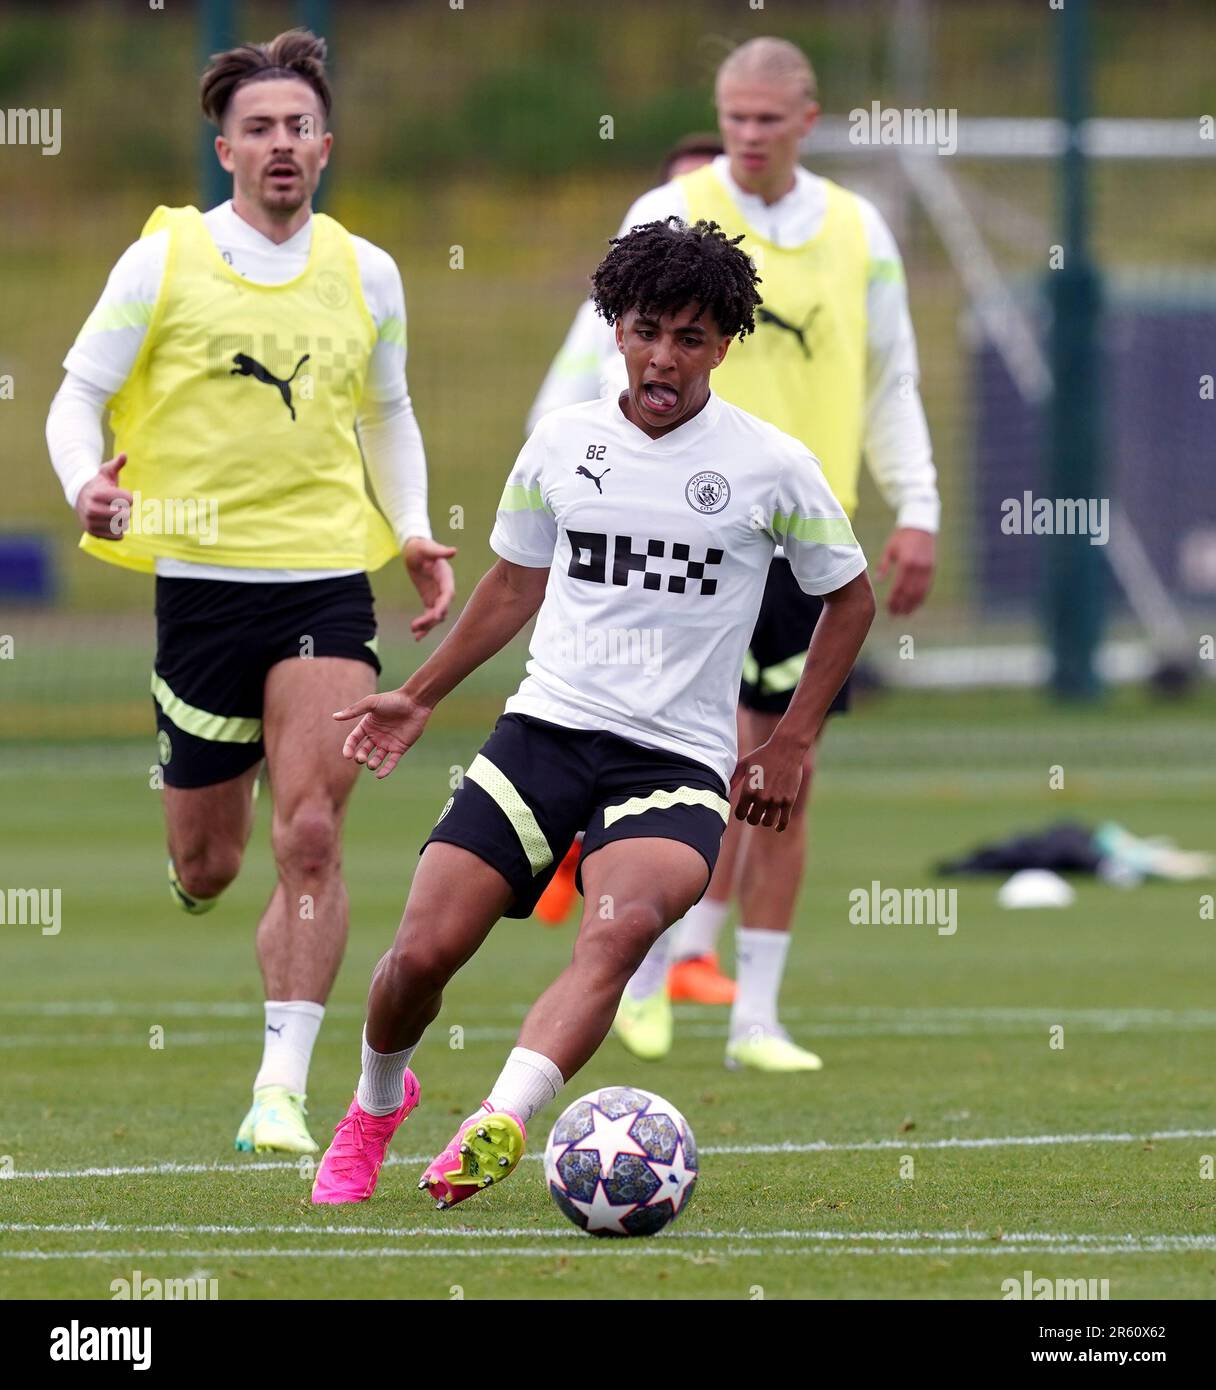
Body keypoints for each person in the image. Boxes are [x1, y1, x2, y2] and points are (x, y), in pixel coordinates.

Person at [309, 217, 875, 1209]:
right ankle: (376, 1102)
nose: (664, 355)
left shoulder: (770, 464)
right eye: (647, 328)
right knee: (420, 956)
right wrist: (419, 694)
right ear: (615, 326)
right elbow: (511, 587)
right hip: (542, 738)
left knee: (616, 931)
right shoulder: (564, 442)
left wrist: (788, 739)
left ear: (723, 346)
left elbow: (851, 596)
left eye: (691, 338)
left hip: (677, 762)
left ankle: (503, 1117)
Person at [44, 29, 454, 1155]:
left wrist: (412, 530)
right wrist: (86, 481)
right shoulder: (163, 262)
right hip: (198, 584)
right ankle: (196, 875)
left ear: (325, 145)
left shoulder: (368, 270)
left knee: (312, 832)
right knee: (212, 862)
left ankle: (280, 1084)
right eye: (258, 129)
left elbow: (388, 413)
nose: (281, 145)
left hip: (325, 577)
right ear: (224, 147)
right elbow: (73, 399)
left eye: (298, 127)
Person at [533, 37, 939, 1070]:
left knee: (783, 771)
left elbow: (890, 380)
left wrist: (918, 505)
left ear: (807, 119)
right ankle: (652, 976)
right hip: (677, 539)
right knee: (679, 764)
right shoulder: (664, 214)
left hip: (802, 541)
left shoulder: (858, 230)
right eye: (734, 116)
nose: (749, 136)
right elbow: (591, 364)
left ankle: (755, 1013)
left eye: (768, 118)